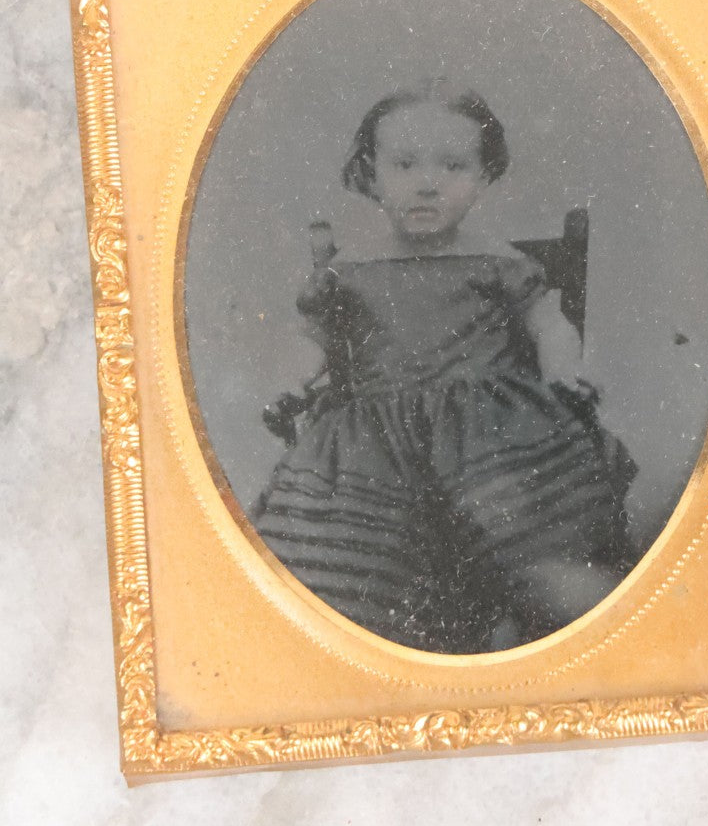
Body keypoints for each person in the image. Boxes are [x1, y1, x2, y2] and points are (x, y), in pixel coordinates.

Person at [254, 79, 637, 654]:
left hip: (485, 435)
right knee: (342, 565)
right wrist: (290, 381)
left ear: (484, 179)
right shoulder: (349, 268)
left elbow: (546, 321)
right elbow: (312, 333)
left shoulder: (497, 259)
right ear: (371, 174)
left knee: (529, 537)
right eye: (404, 164)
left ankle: (531, 617)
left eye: (454, 167)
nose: (428, 183)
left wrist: (562, 370)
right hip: (375, 444)